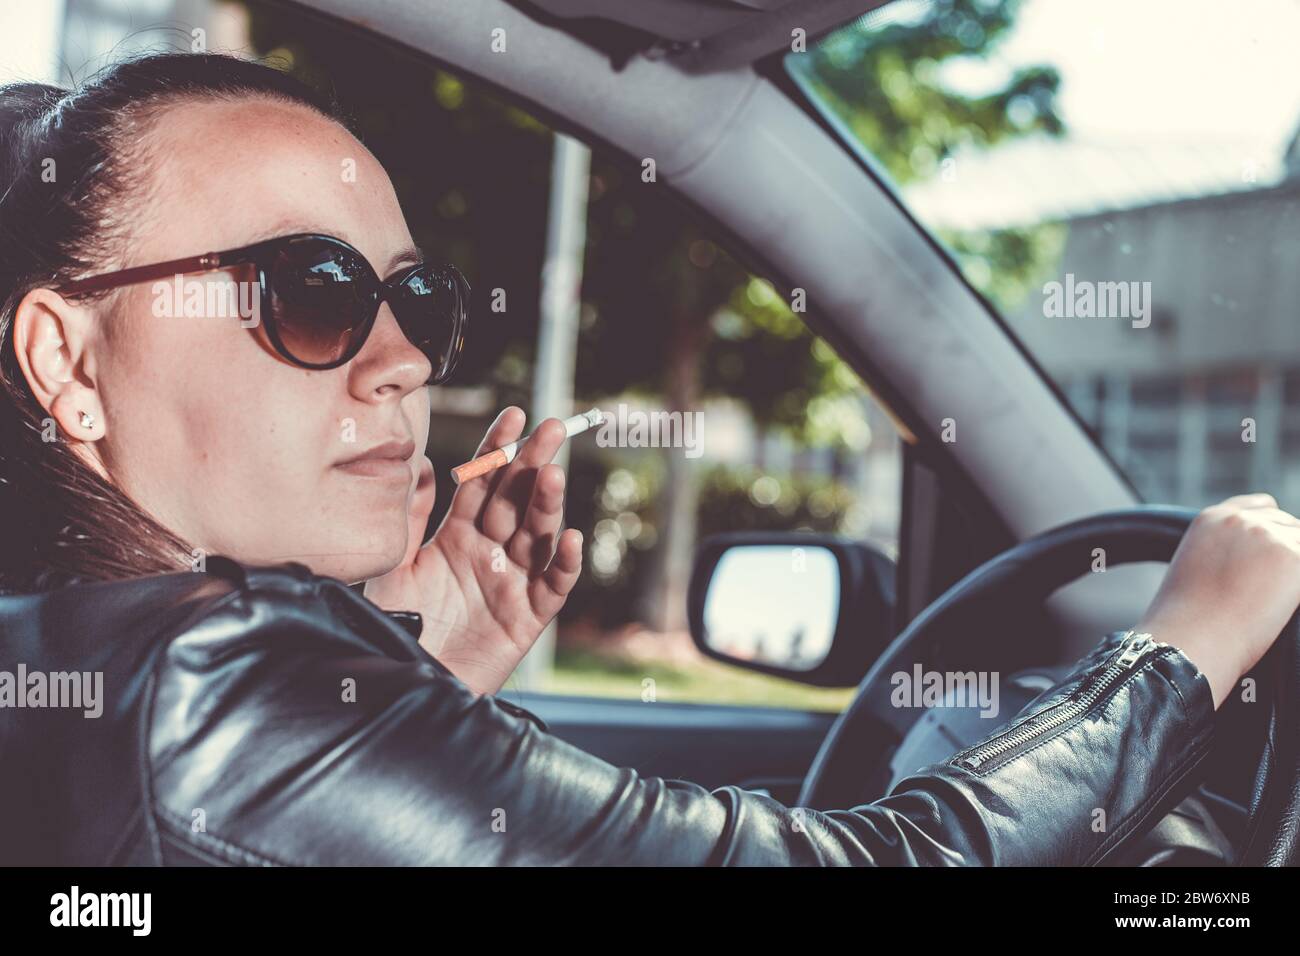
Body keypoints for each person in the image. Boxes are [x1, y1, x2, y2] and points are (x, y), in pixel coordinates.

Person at [1, 52, 1298, 866]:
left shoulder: (77, 664)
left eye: (420, 299)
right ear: (68, 361)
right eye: (315, 288)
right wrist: (1177, 648)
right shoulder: (211, 700)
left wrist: (409, 671)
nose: (404, 358)